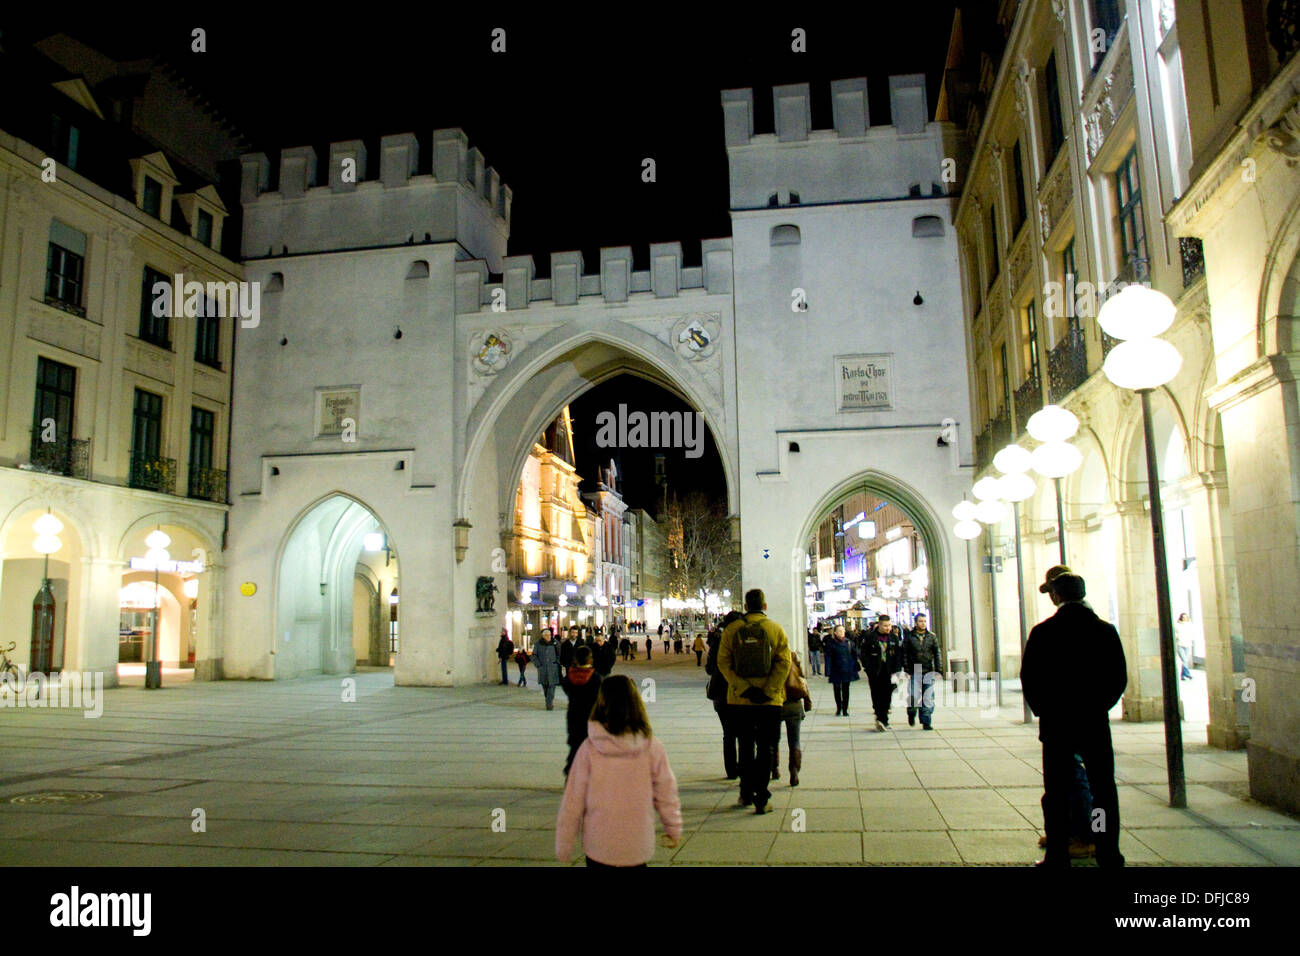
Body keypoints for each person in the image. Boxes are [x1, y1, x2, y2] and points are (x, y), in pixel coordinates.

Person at [1021, 572, 1127, 868]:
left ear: (1056, 596)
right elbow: (1118, 678)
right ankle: (1107, 849)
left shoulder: (1043, 632)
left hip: (1057, 726)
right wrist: (1098, 707)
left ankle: (1058, 855)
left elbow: (1030, 678)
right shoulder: (1105, 631)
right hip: (1094, 724)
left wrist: (1045, 710)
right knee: (1102, 790)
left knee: (1057, 793)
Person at [555, 675, 683, 867]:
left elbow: (573, 800)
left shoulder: (589, 749)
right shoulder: (652, 747)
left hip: (599, 845)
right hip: (637, 845)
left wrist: (564, 843)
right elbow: (666, 793)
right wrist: (673, 827)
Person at [716, 589, 791, 815]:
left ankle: (745, 792)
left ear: (746, 606)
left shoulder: (732, 630)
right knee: (767, 748)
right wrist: (769, 690)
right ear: (764, 606)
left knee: (745, 746)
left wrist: (743, 688)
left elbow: (723, 663)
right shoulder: (775, 629)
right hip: (769, 703)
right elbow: (784, 663)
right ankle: (762, 796)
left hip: (740, 702)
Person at [705, 612, 743, 780]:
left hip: (720, 693)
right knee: (744, 733)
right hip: (741, 692)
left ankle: (731, 771)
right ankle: (744, 767)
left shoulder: (718, 642)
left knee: (728, 734)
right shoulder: (743, 641)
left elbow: (709, 668)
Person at [561, 645, 603, 776]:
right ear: (590, 660)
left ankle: (571, 771)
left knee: (575, 747)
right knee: (592, 748)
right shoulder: (595, 678)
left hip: (574, 716)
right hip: (590, 717)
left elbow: (567, 690)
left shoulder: (569, 677)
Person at [771, 650, 810, 786]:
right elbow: (802, 680)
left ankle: (774, 768)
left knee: (773, 739)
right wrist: (807, 701)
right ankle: (794, 772)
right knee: (794, 741)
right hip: (793, 705)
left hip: (775, 704)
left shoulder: (769, 659)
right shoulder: (792, 658)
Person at [862, 614, 903, 731]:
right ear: (879, 625)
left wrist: (898, 670)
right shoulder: (870, 637)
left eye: (889, 625)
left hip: (889, 671)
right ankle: (880, 717)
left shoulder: (894, 638)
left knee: (887, 695)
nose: (888, 628)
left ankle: (883, 719)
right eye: (885, 625)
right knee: (876, 695)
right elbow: (863, 653)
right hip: (875, 671)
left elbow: (898, 655)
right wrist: (867, 667)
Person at [901, 613, 941, 729]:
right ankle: (911, 712)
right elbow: (904, 654)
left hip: (928, 669)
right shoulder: (909, 637)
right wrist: (907, 669)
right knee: (913, 696)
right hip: (915, 669)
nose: (923, 623)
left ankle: (926, 721)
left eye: (924, 621)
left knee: (928, 697)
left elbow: (937, 653)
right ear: (915, 623)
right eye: (920, 621)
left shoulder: (931, 636)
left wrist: (938, 669)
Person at [822, 625, 860, 717]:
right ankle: (839, 708)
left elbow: (854, 655)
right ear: (835, 632)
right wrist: (828, 671)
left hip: (847, 669)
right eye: (839, 631)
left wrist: (855, 666)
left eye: (843, 631)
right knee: (837, 689)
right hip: (836, 669)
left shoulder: (849, 642)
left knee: (846, 689)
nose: (841, 632)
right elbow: (828, 657)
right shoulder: (831, 643)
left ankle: (845, 709)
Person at [533, 627, 561, 710]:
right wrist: (538, 664)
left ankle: (549, 704)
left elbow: (559, 653)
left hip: (553, 668)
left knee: (551, 686)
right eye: (547, 635)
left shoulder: (556, 643)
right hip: (543, 669)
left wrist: (557, 662)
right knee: (545, 686)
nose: (549, 636)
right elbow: (534, 655)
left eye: (549, 635)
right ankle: (548, 700)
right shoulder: (538, 644)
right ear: (543, 636)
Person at [1175, 612, 1194, 680]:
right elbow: (1175, 633)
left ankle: (1183, 675)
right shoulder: (1177, 625)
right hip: (1180, 644)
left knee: (1185, 660)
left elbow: (1192, 633)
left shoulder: (1189, 625)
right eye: (1183, 617)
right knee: (1184, 659)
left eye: (1186, 617)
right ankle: (1188, 674)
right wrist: (1177, 637)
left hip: (1187, 644)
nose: (1184, 618)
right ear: (1181, 618)